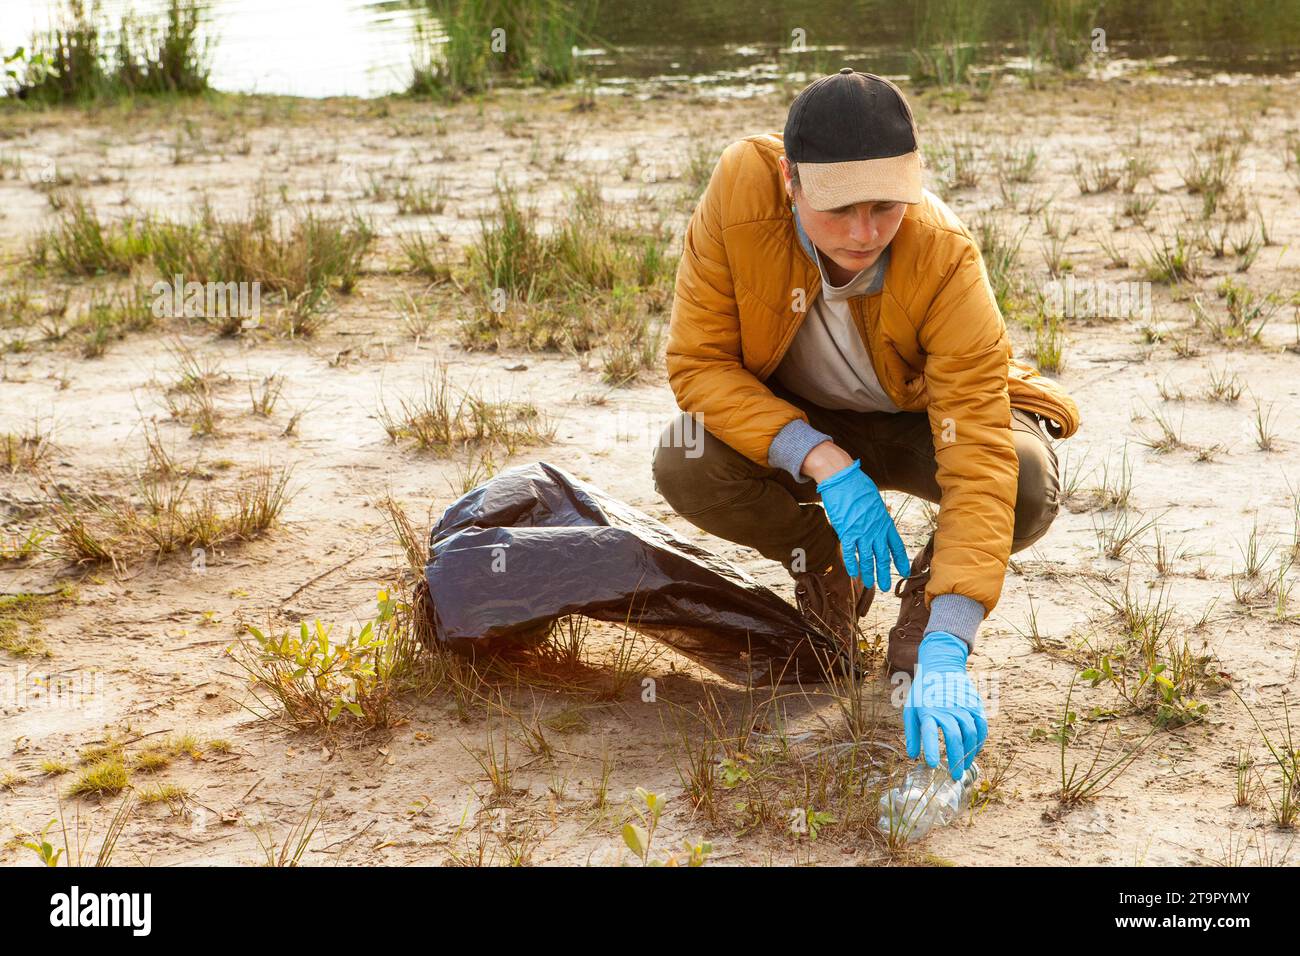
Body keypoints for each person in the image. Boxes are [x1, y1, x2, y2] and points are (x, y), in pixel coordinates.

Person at [652, 69, 1081, 779]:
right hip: (809, 422)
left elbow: (977, 451)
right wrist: (820, 459)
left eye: (886, 206)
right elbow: (700, 365)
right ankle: (829, 564)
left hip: (920, 421)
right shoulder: (739, 193)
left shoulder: (945, 254)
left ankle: (922, 614)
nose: (864, 233)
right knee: (686, 459)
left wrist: (951, 639)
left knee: (1026, 483)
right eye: (840, 208)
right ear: (790, 181)